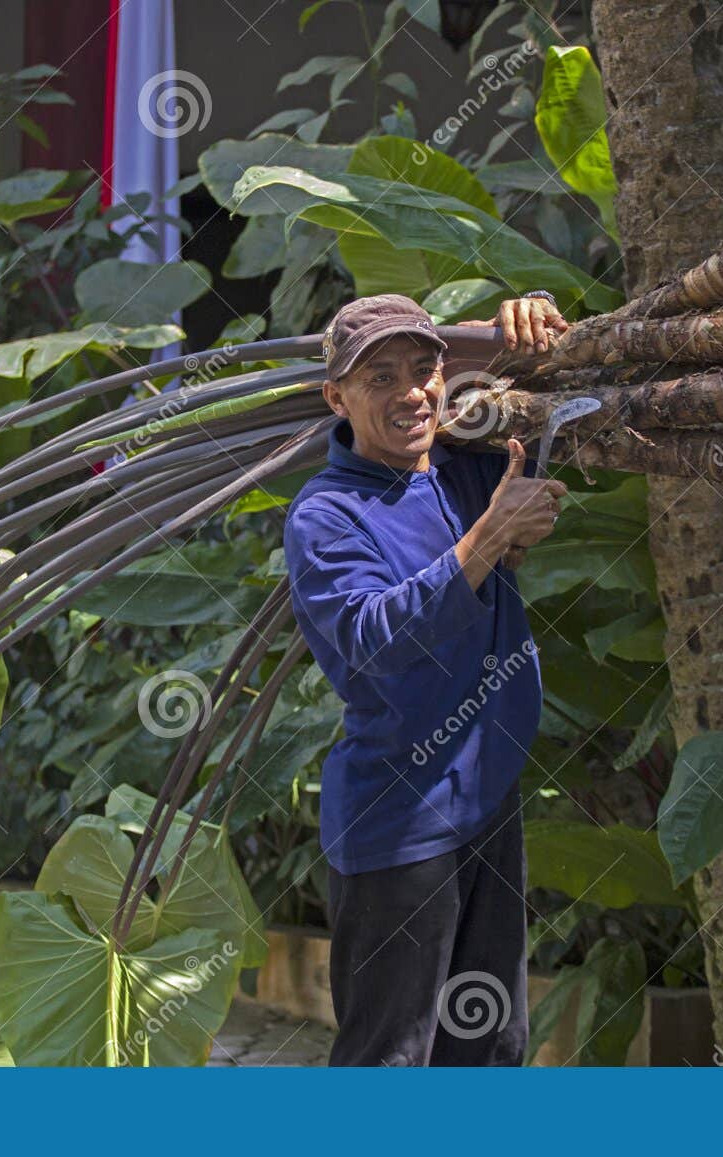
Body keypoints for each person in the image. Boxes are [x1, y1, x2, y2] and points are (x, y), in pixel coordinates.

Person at [281, 292, 570, 1066]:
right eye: (380, 377)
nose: (410, 392)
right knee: (391, 1058)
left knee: (487, 1049)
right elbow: (376, 637)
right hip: (398, 824)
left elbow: (552, 393)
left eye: (423, 369)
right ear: (336, 397)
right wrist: (489, 537)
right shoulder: (326, 513)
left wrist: (526, 317)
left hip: (486, 803)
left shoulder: (467, 467)